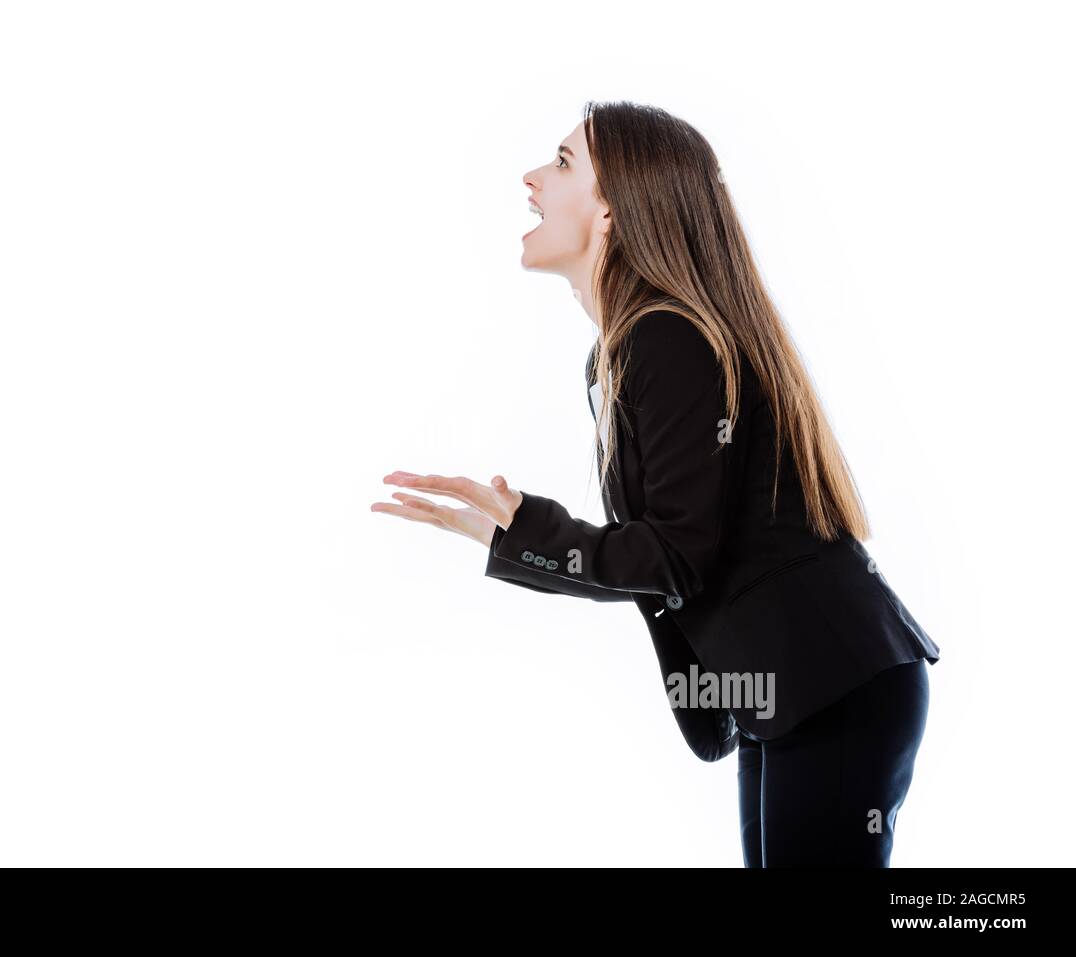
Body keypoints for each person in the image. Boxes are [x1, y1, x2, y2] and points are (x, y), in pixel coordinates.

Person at [371, 101, 940, 867]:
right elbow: (682, 549)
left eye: (564, 162)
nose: (532, 179)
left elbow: (673, 554)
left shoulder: (663, 336)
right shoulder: (635, 345)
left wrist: (525, 535)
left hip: (829, 684)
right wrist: (516, 540)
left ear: (615, 209)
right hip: (796, 691)